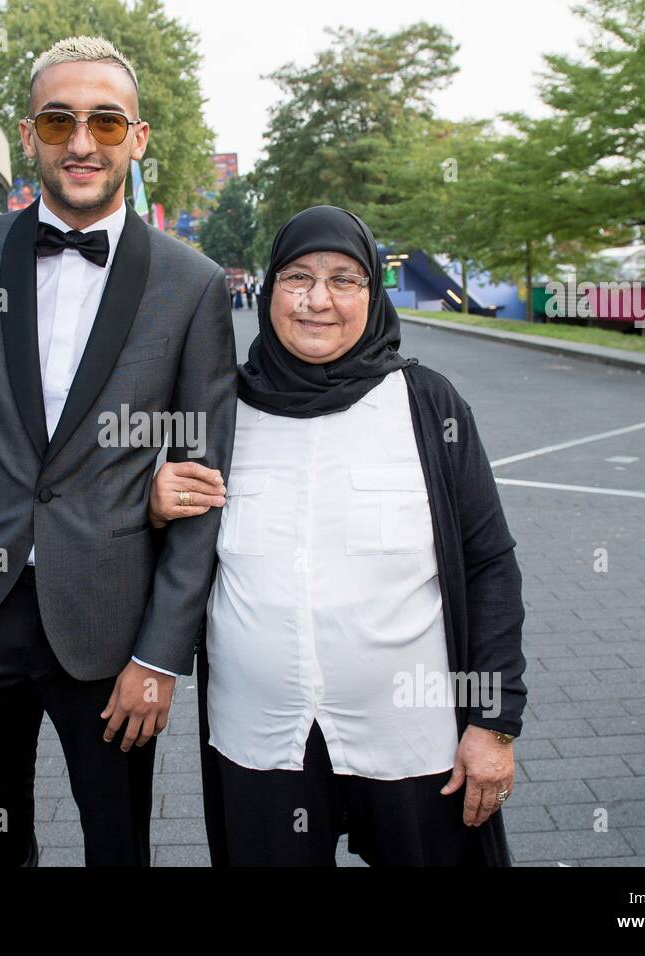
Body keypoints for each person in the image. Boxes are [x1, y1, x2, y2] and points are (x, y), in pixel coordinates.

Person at [0, 35, 236, 865]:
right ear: (29, 135)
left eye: (105, 123)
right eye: (59, 121)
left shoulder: (190, 285)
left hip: (112, 630)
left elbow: (201, 484)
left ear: (138, 138)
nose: (81, 143)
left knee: (118, 848)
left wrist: (161, 653)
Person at [148, 205, 527, 865]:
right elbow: (170, 551)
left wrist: (493, 723)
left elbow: (489, 564)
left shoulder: (428, 405)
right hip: (261, 739)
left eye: (344, 280)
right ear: (269, 292)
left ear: (371, 294)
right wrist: (153, 507)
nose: (318, 300)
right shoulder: (221, 411)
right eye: (298, 277)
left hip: (412, 737)